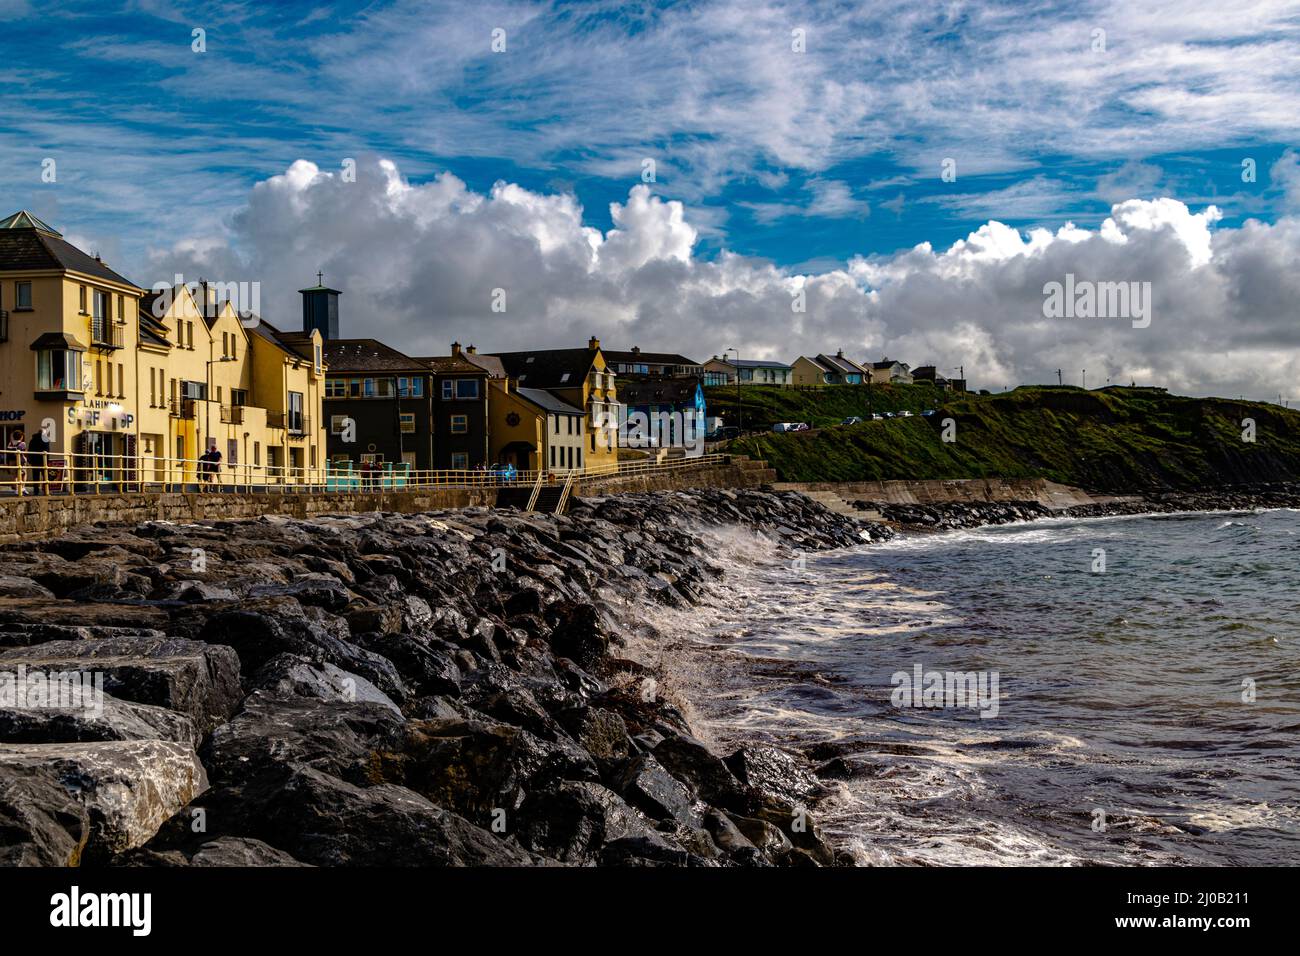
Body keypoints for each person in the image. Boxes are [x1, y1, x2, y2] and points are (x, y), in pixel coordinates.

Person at [26, 428, 49, 495]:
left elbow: (30, 450)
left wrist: (30, 460)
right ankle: (46, 490)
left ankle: (36, 491)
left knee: (35, 476)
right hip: (43, 460)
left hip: (34, 460)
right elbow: (47, 450)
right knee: (45, 476)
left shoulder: (32, 440)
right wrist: (47, 461)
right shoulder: (45, 439)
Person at [6, 430, 27, 496]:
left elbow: (8, 452)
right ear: (21, 437)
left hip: (11, 461)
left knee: (14, 475)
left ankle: (16, 490)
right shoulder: (22, 443)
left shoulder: (10, 443)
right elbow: (23, 452)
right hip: (20, 461)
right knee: (24, 473)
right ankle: (22, 488)